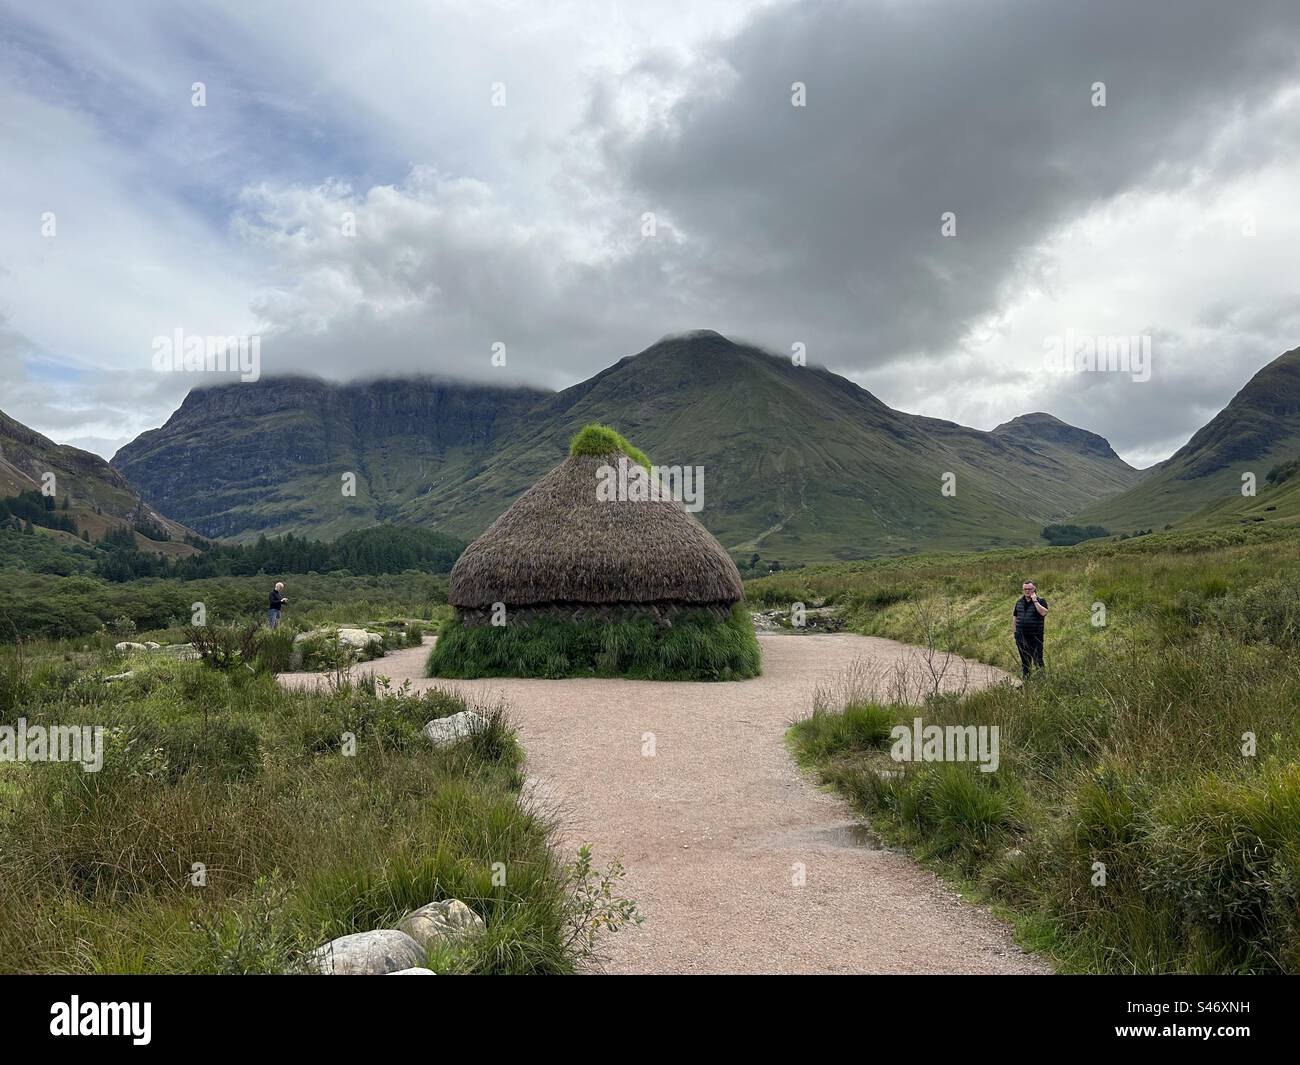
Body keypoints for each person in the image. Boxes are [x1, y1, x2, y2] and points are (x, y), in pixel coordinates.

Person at [1013, 580, 1048, 679]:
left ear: (1034, 589)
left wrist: (1035, 601)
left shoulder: (1041, 601)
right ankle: (1026, 683)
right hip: (1021, 637)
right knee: (1025, 662)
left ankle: (1042, 682)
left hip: (1035, 637)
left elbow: (1044, 613)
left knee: (1038, 660)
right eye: (1025, 589)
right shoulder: (1019, 602)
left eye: (1029, 589)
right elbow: (1015, 617)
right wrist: (1015, 633)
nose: (1027, 591)